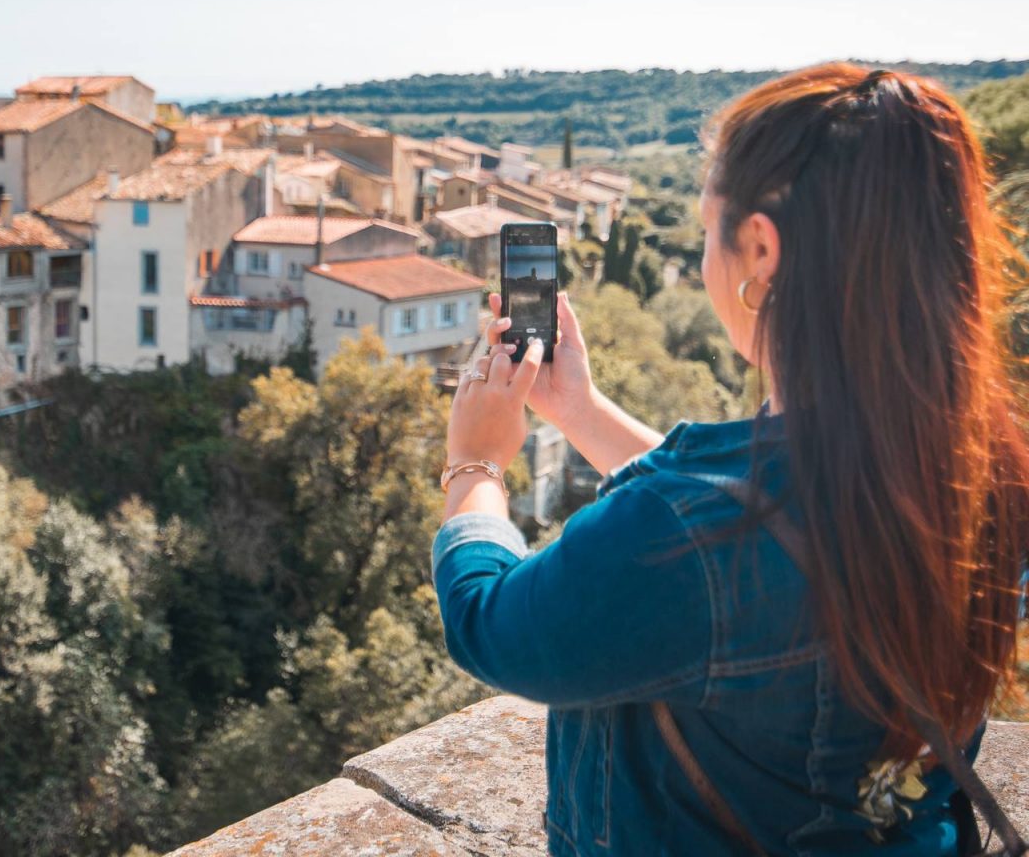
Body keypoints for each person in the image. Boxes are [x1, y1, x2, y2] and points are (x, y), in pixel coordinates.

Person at [434, 63, 1029, 856]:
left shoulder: (686, 536)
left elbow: (493, 625)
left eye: (708, 226)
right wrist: (579, 411)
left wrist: (472, 465)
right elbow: (757, 518)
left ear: (759, 249)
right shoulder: (986, 473)